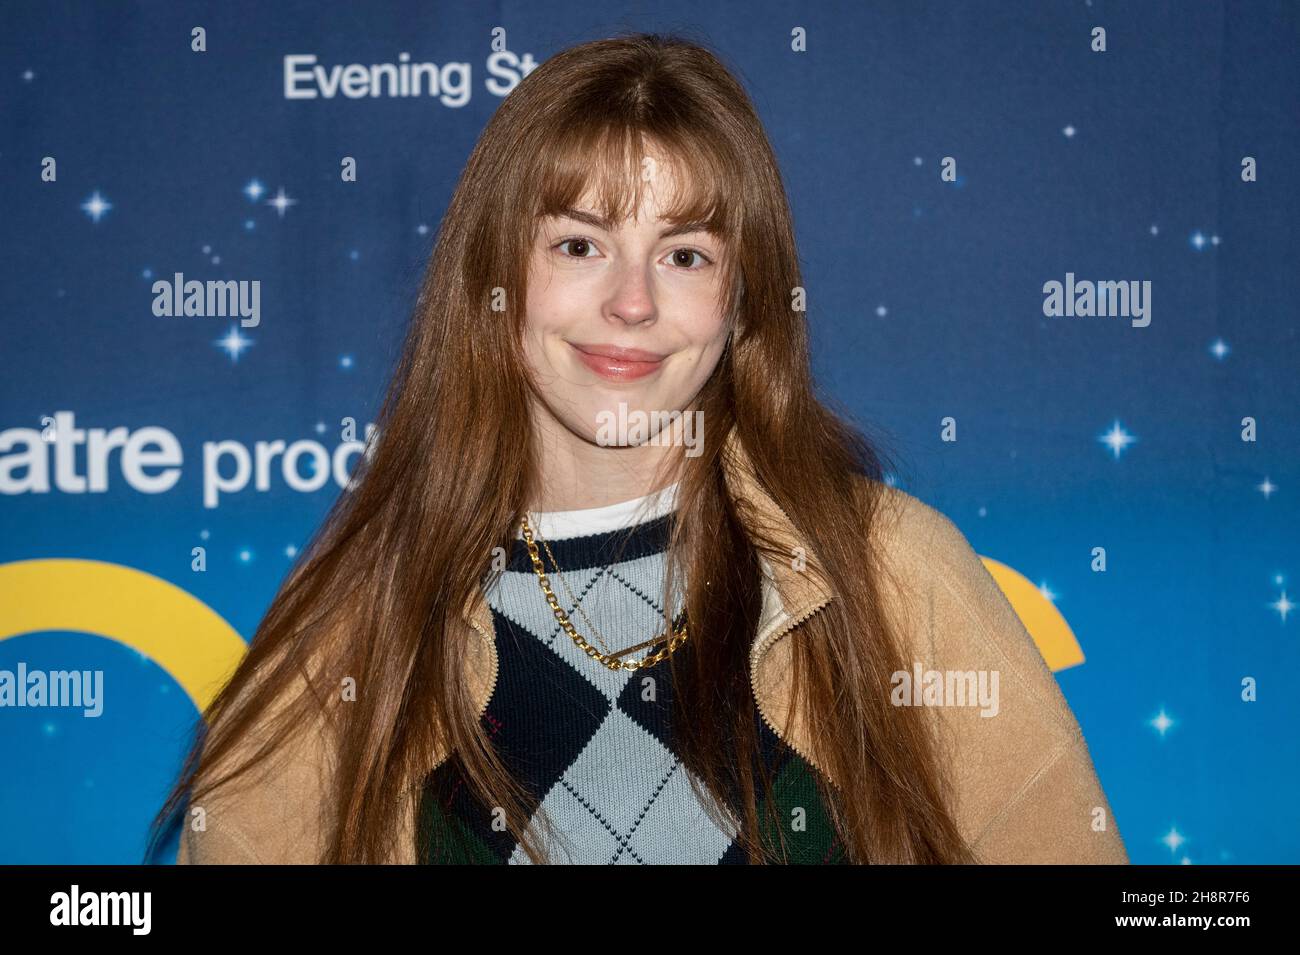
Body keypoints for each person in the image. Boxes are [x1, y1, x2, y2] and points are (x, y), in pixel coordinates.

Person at [153, 31, 1128, 865]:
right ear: (494, 277)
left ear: (741, 302)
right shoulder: (353, 626)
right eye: (578, 244)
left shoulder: (889, 572)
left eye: (685, 254)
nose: (632, 301)